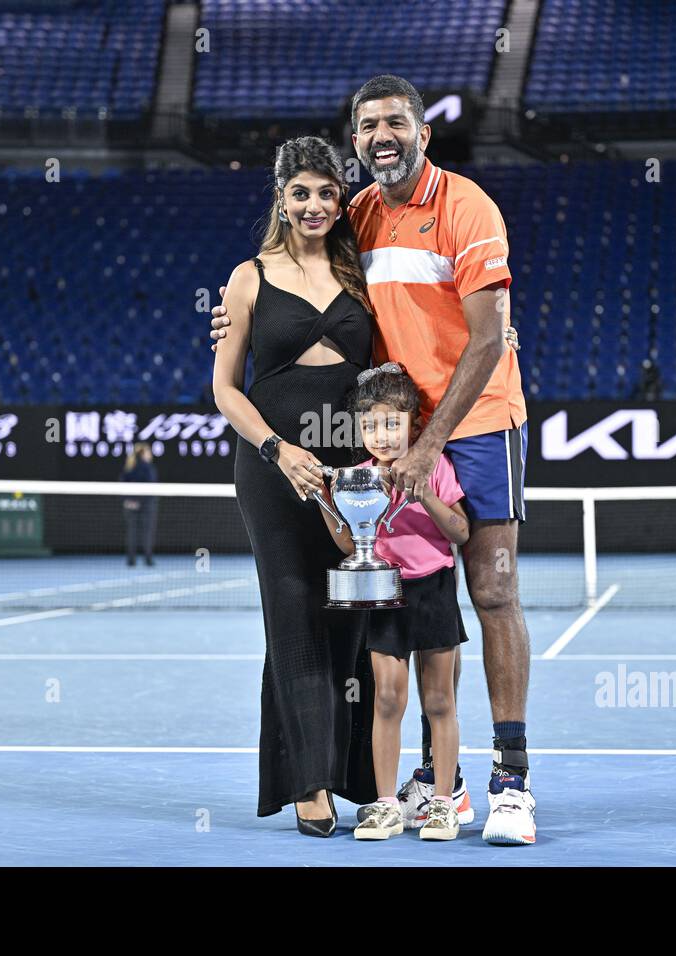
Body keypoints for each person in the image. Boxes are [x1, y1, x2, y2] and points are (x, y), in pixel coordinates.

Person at [212, 75, 537, 844]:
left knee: (491, 593)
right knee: (403, 609)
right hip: (389, 440)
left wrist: (427, 447)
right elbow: (297, 270)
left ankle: (513, 781)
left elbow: (490, 338)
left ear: (424, 130)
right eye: (367, 125)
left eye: (395, 120)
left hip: (476, 425)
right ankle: (437, 785)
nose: (381, 134)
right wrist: (234, 313)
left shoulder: (467, 207)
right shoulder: (357, 214)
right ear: (356, 141)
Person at [211, 136, 378, 836]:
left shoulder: (363, 273)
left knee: (354, 624)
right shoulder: (247, 277)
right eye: (300, 192)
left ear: (341, 200)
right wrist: (280, 450)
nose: (314, 205)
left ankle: (360, 775)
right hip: (274, 472)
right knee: (292, 617)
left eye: (327, 193)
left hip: (354, 482)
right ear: (281, 197)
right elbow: (224, 390)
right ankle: (310, 782)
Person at [316, 363, 471, 841]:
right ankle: (385, 805)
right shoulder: (357, 478)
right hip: (385, 593)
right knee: (386, 698)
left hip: (435, 591)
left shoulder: (435, 466)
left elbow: (461, 532)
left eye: (390, 423)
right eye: (369, 425)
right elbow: (348, 547)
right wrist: (327, 500)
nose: (379, 436)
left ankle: (443, 804)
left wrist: (425, 495)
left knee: (439, 700)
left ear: (413, 423)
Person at [120, 444, 158, 567]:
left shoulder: (129, 467)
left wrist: (129, 500)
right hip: (146, 505)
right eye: (148, 452)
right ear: (143, 454)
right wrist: (138, 501)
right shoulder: (147, 468)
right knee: (146, 532)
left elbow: (122, 485)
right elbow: (151, 486)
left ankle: (131, 560)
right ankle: (148, 559)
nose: (150, 455)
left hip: (131, 505)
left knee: (132, 532)